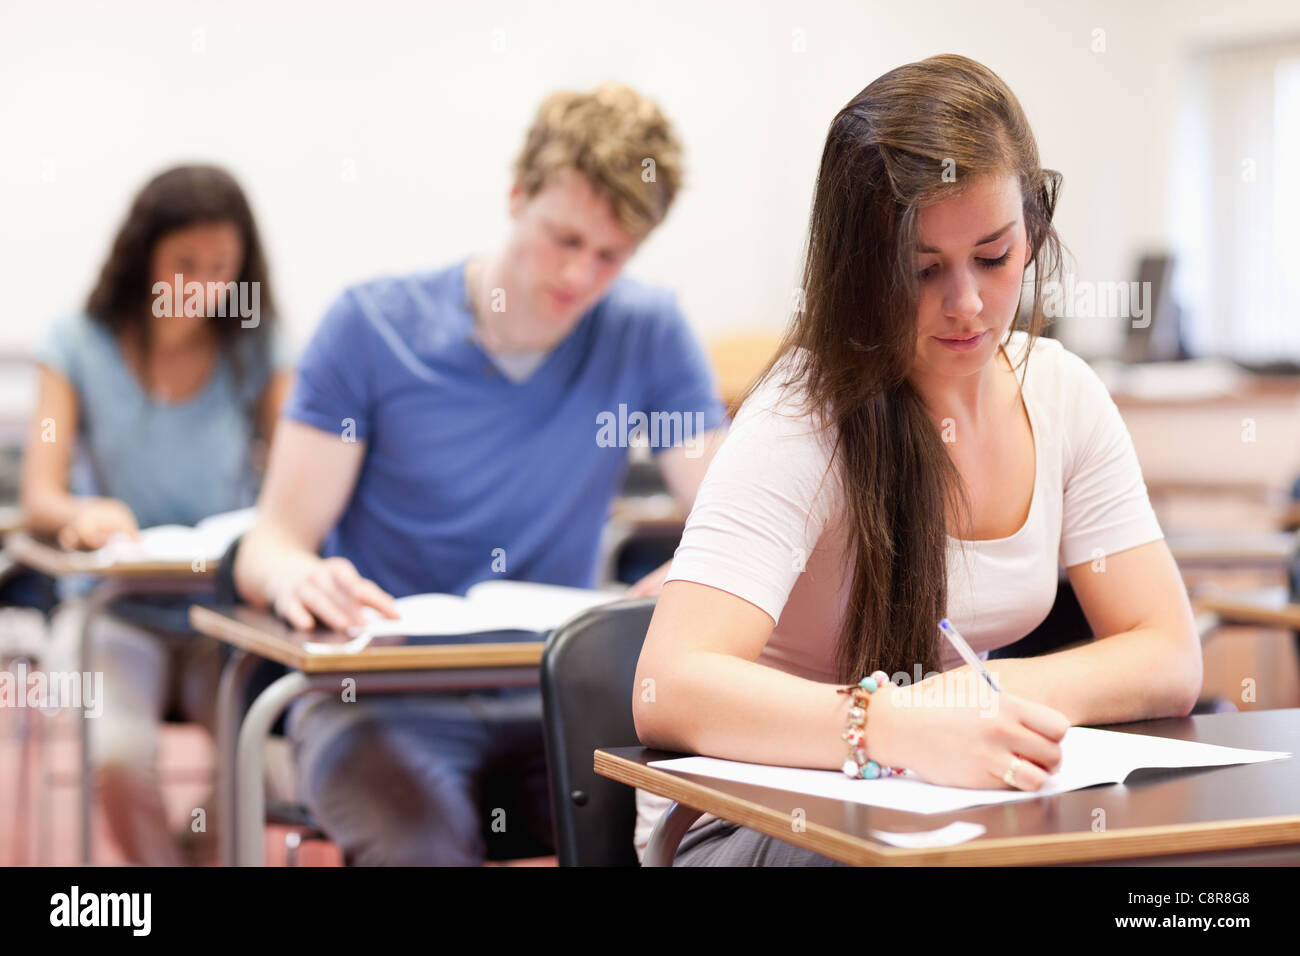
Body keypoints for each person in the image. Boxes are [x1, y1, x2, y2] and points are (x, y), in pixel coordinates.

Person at [632, 54, 1203, 866]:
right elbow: (670, 686)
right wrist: (895, 723)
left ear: (1033, 228)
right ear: (862, 269)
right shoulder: (802, 415)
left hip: (942, 797)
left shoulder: (1064, 394)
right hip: (755, 812)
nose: (968, 304)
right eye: (924, 270)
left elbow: (1168, 654)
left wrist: (972, 701)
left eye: (996, 256)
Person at [233, 82, 727, 865]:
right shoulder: (371, 329)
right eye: (563, 238)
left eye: (611, 256)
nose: (580, 276)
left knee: (682, 835)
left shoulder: (645, 329)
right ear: (516, 195)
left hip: (553, 697)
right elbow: (273, 540)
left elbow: (734, 525)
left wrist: (698, 578)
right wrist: (297, 577)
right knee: (422, 840)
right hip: (383, 704)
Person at [21, 164, 293, 864]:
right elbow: (39, 496)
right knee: (116, 756)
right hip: (116, 612)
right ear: (143, 256)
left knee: (270, 763)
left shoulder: (257, 348)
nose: (203, 284)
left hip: (224, 614)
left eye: (221, 267)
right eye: (184, 264)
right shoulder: (77, 344)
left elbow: (297, 480)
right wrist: (80, 513)